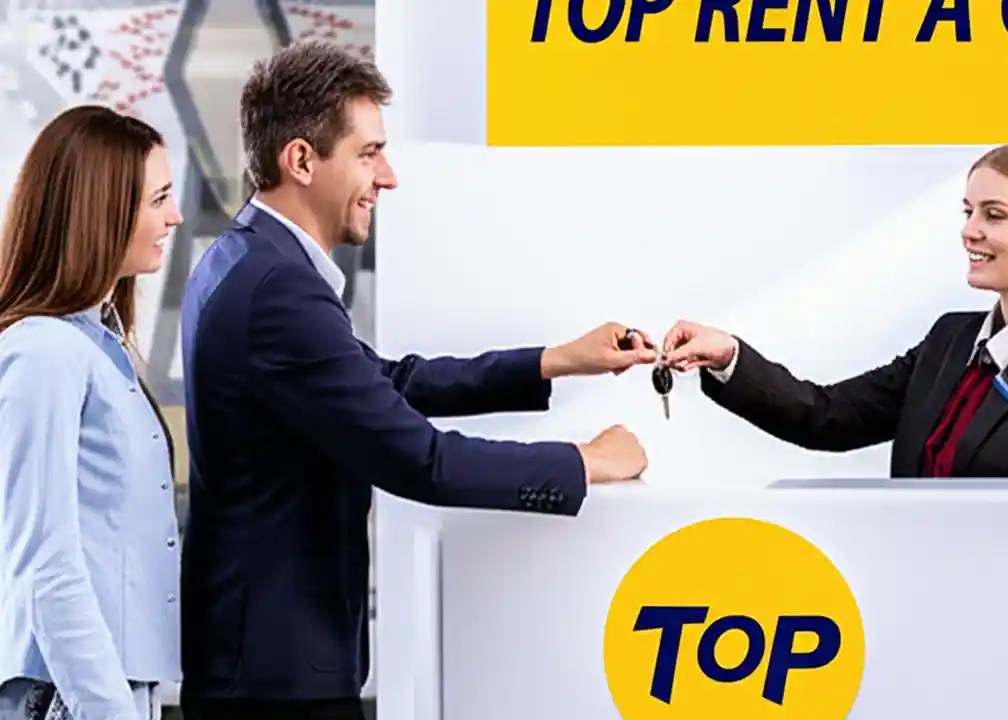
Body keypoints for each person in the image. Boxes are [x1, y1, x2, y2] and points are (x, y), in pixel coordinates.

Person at [178, 41, 653, 720]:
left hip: (259, 666)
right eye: (369, 153)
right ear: (302, 160)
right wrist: (587, 461)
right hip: (276, 683)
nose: (389, 177)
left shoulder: (245, 258)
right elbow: (421, 460)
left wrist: (555, 360)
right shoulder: (277, 288)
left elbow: (385, 381)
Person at [662, 141, 1008, 696]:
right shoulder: (949, 339)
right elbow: (830, 416)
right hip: (925, 642)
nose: (970, 231)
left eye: (994, 215)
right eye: (968, 211)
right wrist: (729, 357)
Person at [0, 105, 183, 720]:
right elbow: (45, 564)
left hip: (105, 688)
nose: (175, 217)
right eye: (159, 199)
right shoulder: (44, 352)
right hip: (72, 695)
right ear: (102, 210)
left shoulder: (97, 346)